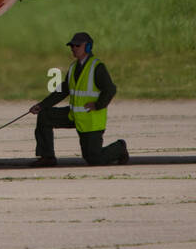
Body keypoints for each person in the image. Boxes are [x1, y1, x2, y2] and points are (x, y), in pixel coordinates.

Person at [29, 31, 129, 166]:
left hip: (90, 120)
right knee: (45, 116)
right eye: (72, 46)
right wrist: (42, 105)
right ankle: (47, 157)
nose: (73, 48)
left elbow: (110, 89)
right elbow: (64, 90)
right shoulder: (73, 67)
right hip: (74, 115)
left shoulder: (97, 67)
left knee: (94, 159)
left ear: (88, 47)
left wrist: (98, 105)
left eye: (77, 46)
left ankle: (120, 147)